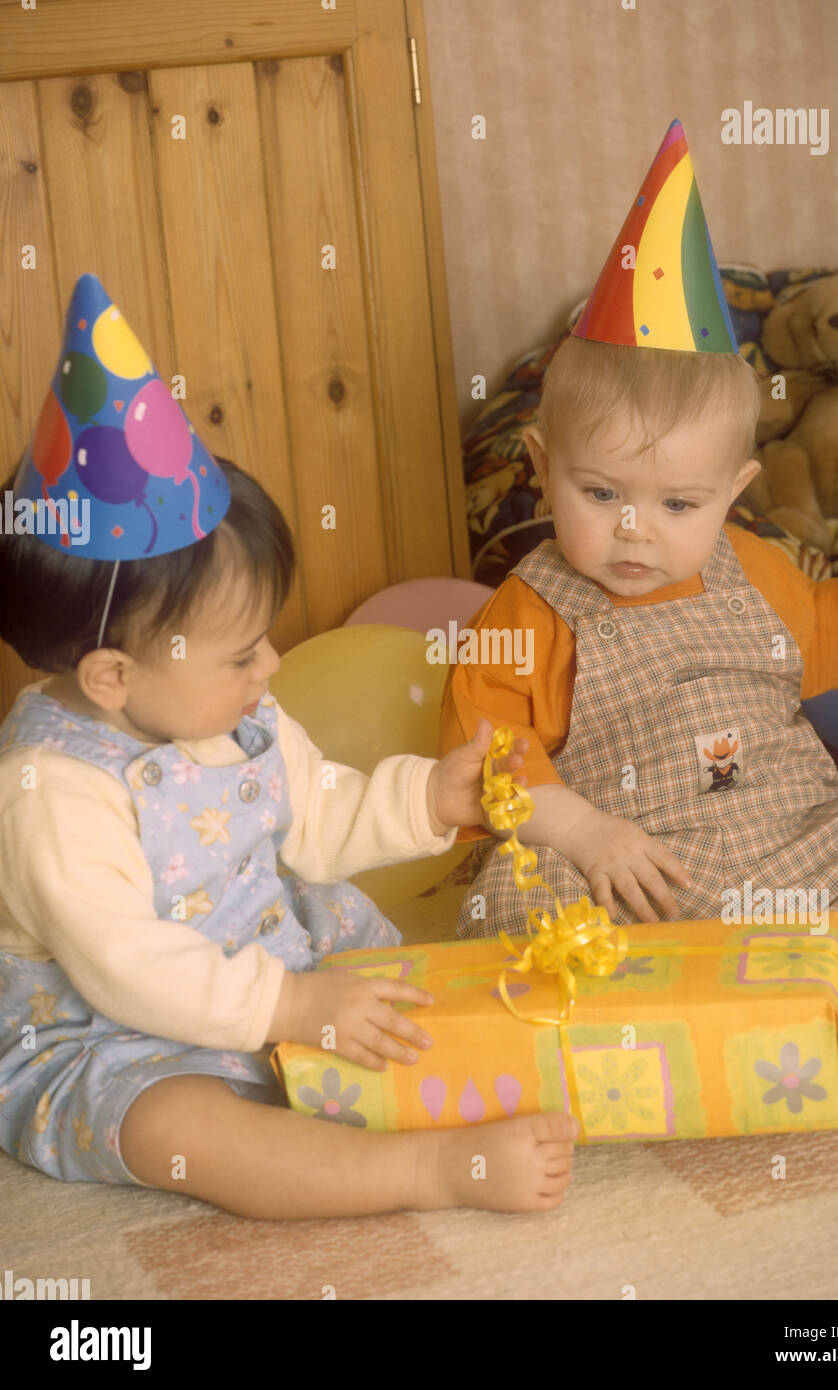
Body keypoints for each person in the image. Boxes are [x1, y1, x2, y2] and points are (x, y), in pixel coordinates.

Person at [0, 274, 576, 1220]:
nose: (271, 664)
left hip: (278, 970)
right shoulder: (49, 787)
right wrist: (291, 1013)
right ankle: (428, 1173)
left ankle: (402, 1092)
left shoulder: (235, 708)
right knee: (183, 1134)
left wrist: (427, 800)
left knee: (419, 1000)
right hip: (116, 1032)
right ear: (112, 677)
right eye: (239, 653)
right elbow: (126, 965)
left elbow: (316, 814)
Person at [439, 123, 838, 992]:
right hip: (636, 868)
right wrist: (581, 833)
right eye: (601, 495)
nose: (636, 529)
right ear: (538, 468)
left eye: (679, 505)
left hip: (797, 843)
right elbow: (488, 758)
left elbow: (819, 641)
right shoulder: (527, 613)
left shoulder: (753, 564)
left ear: (735, 489)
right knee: (516, 897)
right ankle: (621, 1006)